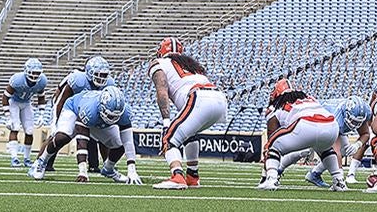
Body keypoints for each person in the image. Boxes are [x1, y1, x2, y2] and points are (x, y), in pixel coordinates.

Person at [149, 37, 228, 190]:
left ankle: (177, 176)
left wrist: (166, 122)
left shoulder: (159, 63)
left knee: (169, 138)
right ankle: (192, 176)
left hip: (199, 98)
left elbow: (162, 89)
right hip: (218, 98)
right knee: (189, 134)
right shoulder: (192, 66)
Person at [28, 86, 140, 184]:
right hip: (74, 108)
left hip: (96, 118)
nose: (111, 119)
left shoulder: (125, 112)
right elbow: (82, 141)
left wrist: (132, 169)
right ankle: (41, 161)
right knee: (63, 136)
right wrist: (82, 172)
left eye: (115, 116)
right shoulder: (90, 110)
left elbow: (128, 142)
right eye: (109, 115)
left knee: (119, 144)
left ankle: (108, 169)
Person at [257, 79, 347, 191]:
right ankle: (338, 181)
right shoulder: (308, 98)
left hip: (306, 124)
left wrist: (266, 171)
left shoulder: (277, 104)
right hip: (331, 125)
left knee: (272, 146)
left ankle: (271, 179)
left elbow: (272, 135)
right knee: (325, 149)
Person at [44, 55, 115, 172]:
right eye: (97, 73)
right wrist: (55, 121)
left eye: (103, 74)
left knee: (93, 135)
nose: (101, 77)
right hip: (69, 106)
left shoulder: (106, 82)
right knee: (60, 136)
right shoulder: (77, 78)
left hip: (87, 108)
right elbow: (60, 95)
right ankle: (45, 162)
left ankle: (99, 165)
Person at [282, 96, 371, 188]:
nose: (355, 125)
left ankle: (314, 174)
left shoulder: (364, 112)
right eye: (353, 121)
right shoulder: (337, 117)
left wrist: (357, 144)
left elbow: (365, 134)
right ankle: (278, 170)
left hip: (331, 124)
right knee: (304, 150)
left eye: (358, 122)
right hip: (316, 121)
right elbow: (335, 152)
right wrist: (339, 177)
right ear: (345, 113)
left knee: (345, 150)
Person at [2, 58, 47, 167]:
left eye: (37, 73)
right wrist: (8, 116)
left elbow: (41, 97)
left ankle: (27, 158)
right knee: (15, 127)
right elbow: (5, 97)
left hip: (26, 103)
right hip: (14, 103)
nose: (35, 75)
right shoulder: (18, 80)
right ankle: (14, 158)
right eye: (33, 72)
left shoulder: (41, 81)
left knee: (30, 131)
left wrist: (41, 114)